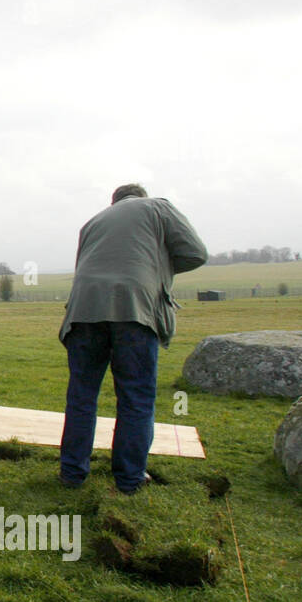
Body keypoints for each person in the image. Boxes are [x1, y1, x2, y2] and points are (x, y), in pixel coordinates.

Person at [58, 184, 207, 494]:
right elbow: (196, 253)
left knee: (81, 397)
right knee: (135, 399)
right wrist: (155, 265)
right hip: (134, 311)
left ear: (114, 202)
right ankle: (129, 479)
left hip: (83, 312)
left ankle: (72, 474)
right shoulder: (158, 207)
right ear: (141, 195)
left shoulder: (93, 222)